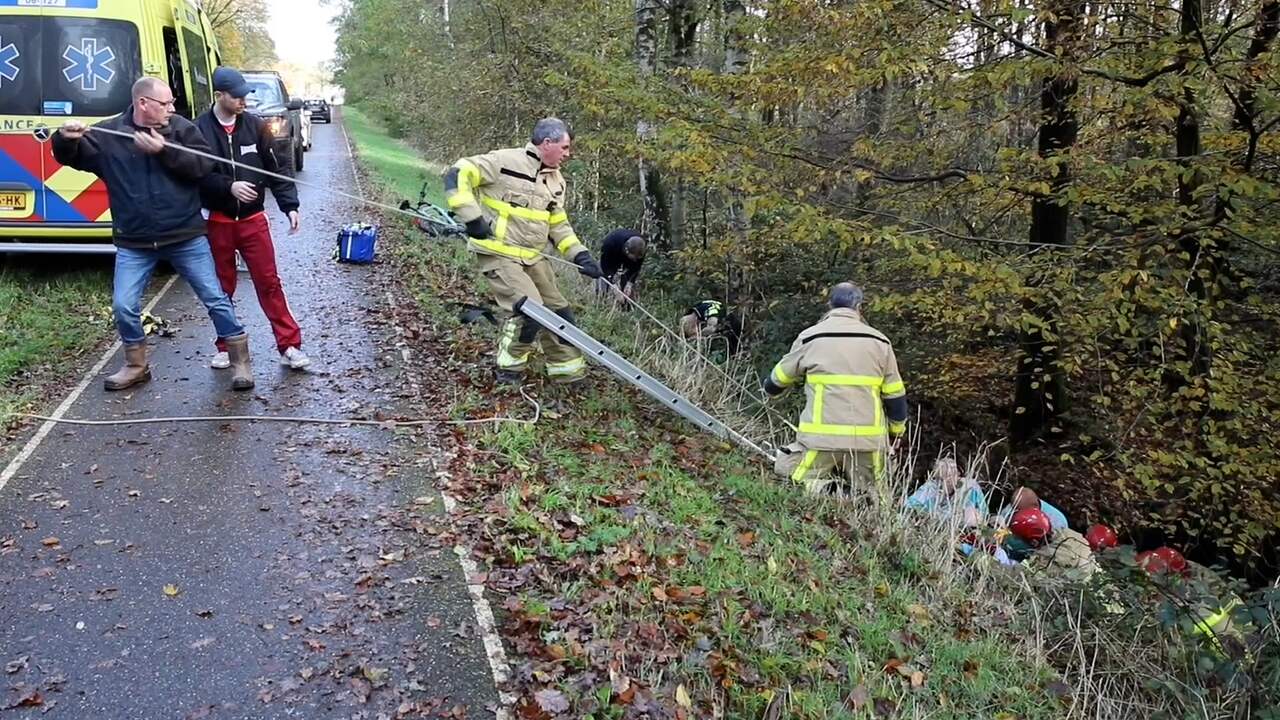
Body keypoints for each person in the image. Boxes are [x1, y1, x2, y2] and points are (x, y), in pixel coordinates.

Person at [52, 77, 254, 391]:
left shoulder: (181, 129)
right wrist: (65, 138)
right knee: (123, 305)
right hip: (134, 240)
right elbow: (70, 157)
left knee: (215, 298)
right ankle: (136, 365)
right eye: (166, 103)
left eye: (172, 103)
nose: (172, 109)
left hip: (184, 234)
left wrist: (164, 151)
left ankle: (240, 360)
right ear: (143, 103)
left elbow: (203, 168)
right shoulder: (110, 133)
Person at [442, 118, 603, 384]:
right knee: (530, 311)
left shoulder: (557, 182)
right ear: (547, 143)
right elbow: (457, 174)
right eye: (564, 148)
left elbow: (558, 226)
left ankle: (568, 372)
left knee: (560, 313)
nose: (568, 154)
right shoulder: (504, 162)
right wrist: (472, 219)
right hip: (499, 254)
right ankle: (508, 371)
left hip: (533, 257)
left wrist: (580, 255)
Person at [196, 67, 309, 371]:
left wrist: (290, 205)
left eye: (245, 95)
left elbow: (277, 169)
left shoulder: (256, 127)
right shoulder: (198, 130)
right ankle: (224, 345)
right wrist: (227, 186)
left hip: (253, 220)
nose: (243, 100)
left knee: (269, 282)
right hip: (217, 221)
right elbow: (194, 175)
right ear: (219, 96)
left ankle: (289, 346)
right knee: (222, 287)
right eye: (237, 96)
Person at [763, 282, 908, 494]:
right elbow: (895, 395)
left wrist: (769, 392)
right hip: (867, 442)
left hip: (821, 441)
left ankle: (827, 490)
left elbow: (776, 381)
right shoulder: (880, 342)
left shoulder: (811, 337)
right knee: (875, 495)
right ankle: (864, 510)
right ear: (859, 307)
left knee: (794, 480)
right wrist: (897, 432)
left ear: (829, 305)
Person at [905, 457, 987, 527]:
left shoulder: (970, 487)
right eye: (944, 477)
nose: (949, 479)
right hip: (938, 530)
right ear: (936, 477)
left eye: (953, 474)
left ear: (958, 473)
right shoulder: (930, 488)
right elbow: (908, 505)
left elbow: (984, 514)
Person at [597, 228, 646, 301]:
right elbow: (605, 266)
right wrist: (613, 285)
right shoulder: (610, 243)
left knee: (627, 285)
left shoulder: (641, 246)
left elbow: (636, 267)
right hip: (611, 256)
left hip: (626, 255)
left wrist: (630, 283)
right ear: (626, 250)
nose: (635, 259)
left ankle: (625, 304)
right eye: (633, 257)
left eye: (637, 258)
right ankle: (601, 300)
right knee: (604, 280)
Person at [997, 486, 1069, 531]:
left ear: (1035, 506)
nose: (1019, 514)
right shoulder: (1011, 509)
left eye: (1022, 511)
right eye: (1016, 510)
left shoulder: (1057, 521)